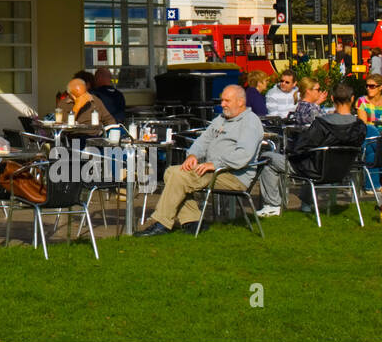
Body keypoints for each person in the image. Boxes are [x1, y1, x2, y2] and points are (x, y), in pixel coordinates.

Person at [135, 84, 262, 236]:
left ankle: (161, 222)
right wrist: (193, 155)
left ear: (240, 102)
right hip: (213, 170)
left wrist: (214, 164)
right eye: (222, 100)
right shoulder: (220, 119)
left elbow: (243, 155)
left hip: (234, 175)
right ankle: (192, 222)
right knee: (171, 171)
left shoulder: (250, 122)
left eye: (227, 101)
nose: (222, 104)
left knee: (178, 176)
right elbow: (202, 141)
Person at [259, 83, 366, 216]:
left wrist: (291, 152)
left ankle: (273, 205)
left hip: (315, 170)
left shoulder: (322, 124)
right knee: (314, 159)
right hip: (344, 171)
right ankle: (306, 203)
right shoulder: (360, 127)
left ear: (332, 99)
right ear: (352, 98)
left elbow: (302, 147)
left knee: (268, 158)